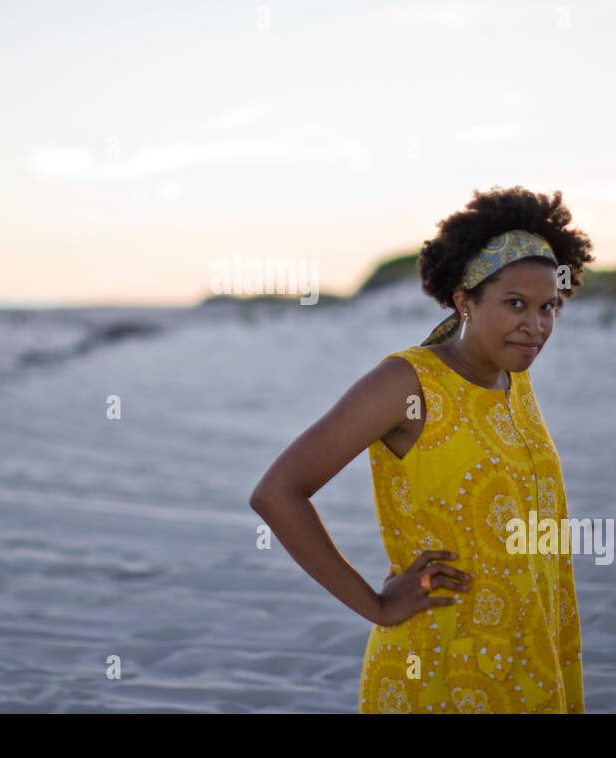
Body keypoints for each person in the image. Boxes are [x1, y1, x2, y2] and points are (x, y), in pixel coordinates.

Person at [249, 185, 595, 713]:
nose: (536, 325)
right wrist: (376, 605)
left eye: (549, 307)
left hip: (531, 655)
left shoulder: (512, 377)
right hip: (441, 663)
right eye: (515, 304)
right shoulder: (407, 384)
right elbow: (277, 493)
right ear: (465, 302)